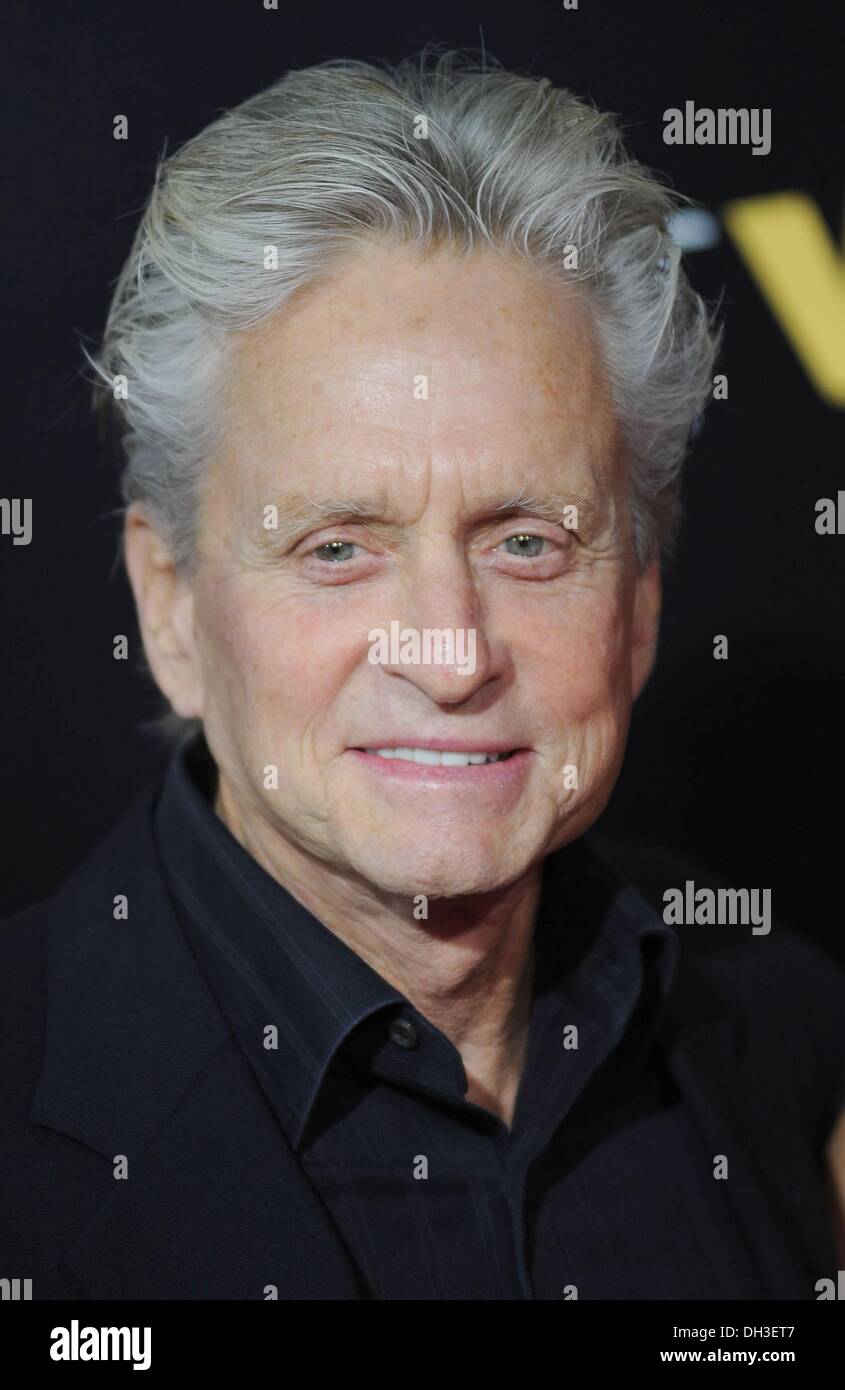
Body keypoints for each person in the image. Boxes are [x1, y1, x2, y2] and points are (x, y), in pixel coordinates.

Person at [2, 51, 843, 1300]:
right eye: (337, 547)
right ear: (168, 606)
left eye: (526, 543)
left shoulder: (779, 1028)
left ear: (641, 601)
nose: (449, 653)